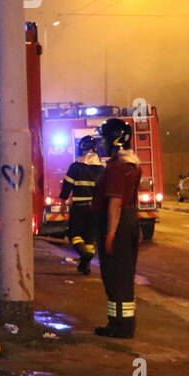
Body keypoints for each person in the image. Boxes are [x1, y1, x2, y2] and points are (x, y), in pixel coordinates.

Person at [93, 118, 140, 338]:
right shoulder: (132, 166)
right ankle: (124, 324)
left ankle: (118, 326)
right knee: (124, 276)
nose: (101, 143)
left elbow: (114, 202)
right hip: (129, 221)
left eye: (103, 138)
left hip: (116, 225)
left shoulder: (115, 169)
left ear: (113, 140)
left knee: (114, 277)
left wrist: (110, 234)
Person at [59, 135, 102, 274]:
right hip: (95, 209)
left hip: (79, 207)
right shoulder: (101, 169)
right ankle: (85, 266)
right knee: (90, 237)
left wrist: (63, 202)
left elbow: (67, 185)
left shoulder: (75, 167)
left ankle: (84, 255)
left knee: (74, 234)